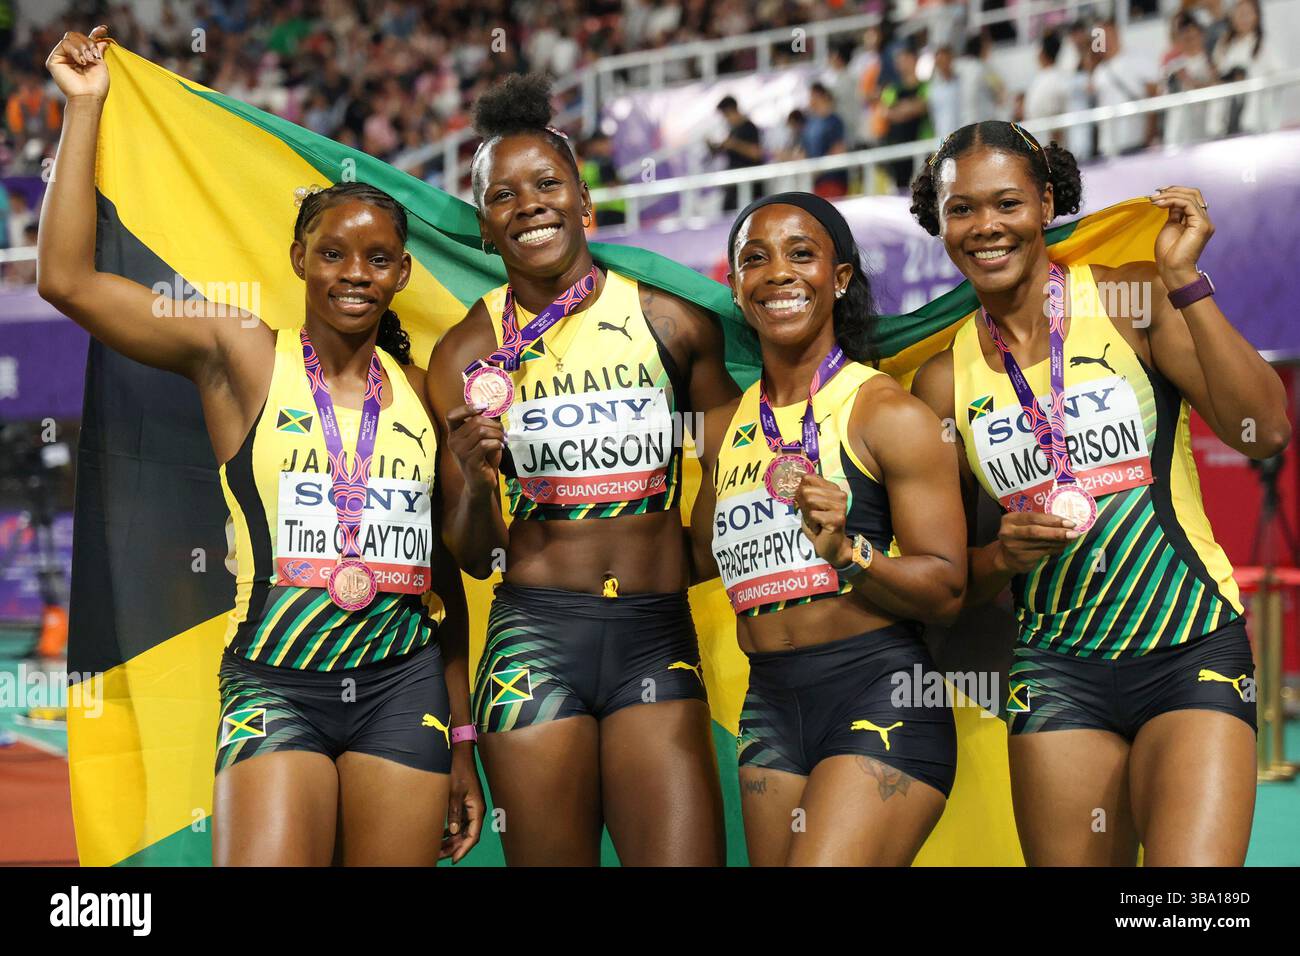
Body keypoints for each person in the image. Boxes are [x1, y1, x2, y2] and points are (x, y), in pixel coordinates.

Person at [37, 26, 484, 866]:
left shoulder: (428, 391)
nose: (355, 272)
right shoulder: (242, 354)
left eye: (378, 258)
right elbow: (66, 280)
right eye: (334, 253)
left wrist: (461, 737)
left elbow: (447, 582)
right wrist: (85, 107)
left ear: (401, 275)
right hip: (274, 684)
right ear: (299, 261)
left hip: (404, 685)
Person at [909, 120, 1289, 865]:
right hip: (1056, 671)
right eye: (963, 209)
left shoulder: (1131, 302)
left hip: (1190, 645)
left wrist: (1186, 279)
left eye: (1008, 203)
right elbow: (951, 582)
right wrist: (1003, 556)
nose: (986, 226)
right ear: (941, 222)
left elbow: (1264, 429)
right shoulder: (943, 381)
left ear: (1047, 203)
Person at [426, 73, 736, 866]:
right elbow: (472, 554)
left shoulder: (671, 321)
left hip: (654, 635)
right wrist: (470, 475)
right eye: (503, 195)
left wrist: (686, 560)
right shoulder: (464, 354)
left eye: (547, 184)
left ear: (585, 203)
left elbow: (738, 466)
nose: (528, 203)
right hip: (534, 641)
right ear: (485, 229)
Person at [691, 192, 966, 865]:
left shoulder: (887, 413)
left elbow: (947, 590)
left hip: (881, 691)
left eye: (802, 255)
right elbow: (694, 559)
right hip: (770, 707)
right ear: (735, 286)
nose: (778, 272)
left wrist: (848, 553)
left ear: (840, 278)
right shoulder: (724, 428)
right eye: (754, 260)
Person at [711, 95, 765, 212]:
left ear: (731, 110)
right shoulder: (732, 130)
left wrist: (734, 144)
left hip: (749, 187)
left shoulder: (749, 127)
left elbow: (756, 153)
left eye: (726, 115)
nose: (725, 119)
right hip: (734, 187)